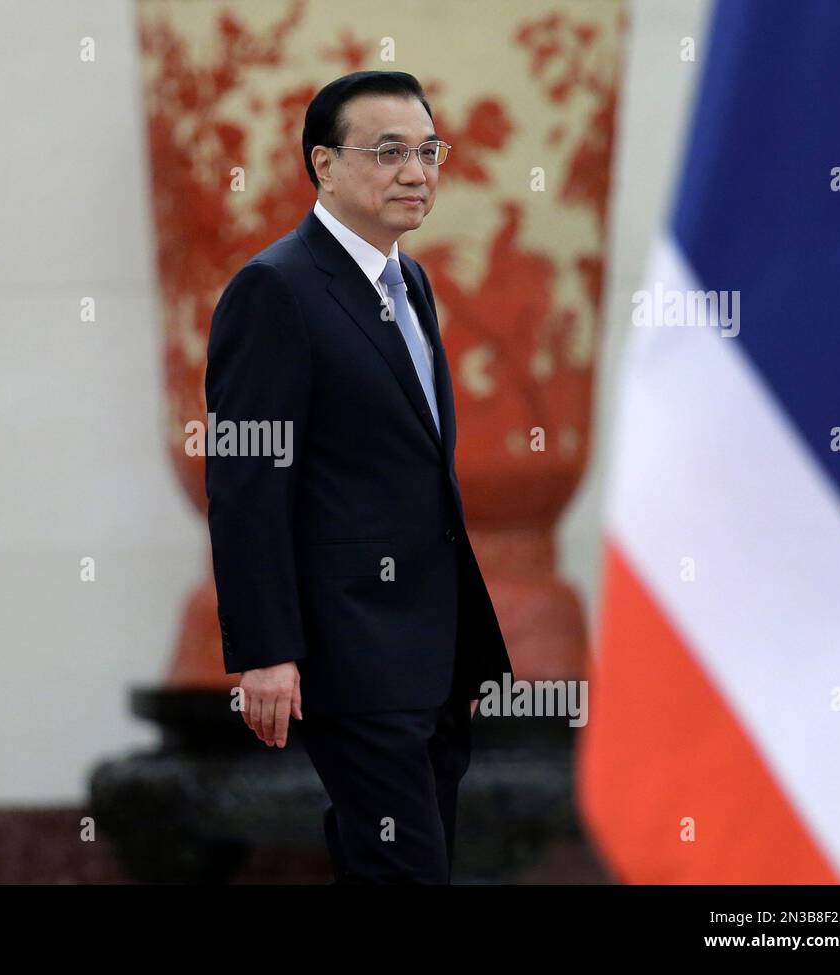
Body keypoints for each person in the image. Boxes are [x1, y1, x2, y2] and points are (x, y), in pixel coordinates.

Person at [205, 70, 514, 883]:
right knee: (406, 869)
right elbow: (245, 487)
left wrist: (460, 645)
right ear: (324, 165)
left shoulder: (410, 280)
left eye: (427, 151)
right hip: (351, 651)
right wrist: (267, 651)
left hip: (432, 655)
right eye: (388, 153)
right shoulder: (274, 289)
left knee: (394, 862)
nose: (417, 172)